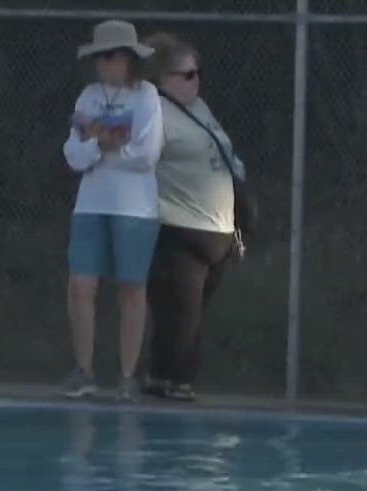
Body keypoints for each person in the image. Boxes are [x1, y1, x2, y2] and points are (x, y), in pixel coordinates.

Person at [60, 20, 165, 403]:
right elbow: (74, 155)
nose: (104, 63)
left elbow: (146, 154)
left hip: (135, 209)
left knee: (131, 290)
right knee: (80, 287)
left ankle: (126, 376)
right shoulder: (88, 97)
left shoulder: (146, 96)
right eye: (99, 56)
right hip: (90, 205)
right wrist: (103, 145)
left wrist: (100, 144)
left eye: (111, 56)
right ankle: (84, 371)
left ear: (128, 59)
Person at [139, 30, 244, 404]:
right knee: (181, 313)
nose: (194, 81)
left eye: (197, 73)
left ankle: (161, 377)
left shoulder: (198, 109)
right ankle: (173, 382)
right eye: (186, 75)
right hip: (178, 228)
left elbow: (221, 148)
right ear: (161, 79)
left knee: (192, 314)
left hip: (216, 228)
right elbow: (137, 162)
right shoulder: (154, 112)